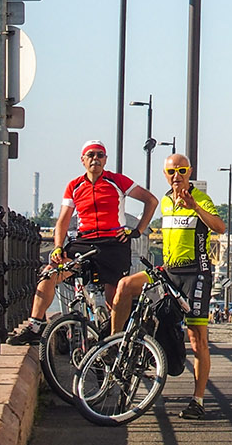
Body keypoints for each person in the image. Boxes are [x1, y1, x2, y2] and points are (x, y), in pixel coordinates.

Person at [8, 140, 157, 345]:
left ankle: (117, 340)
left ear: (105, 159)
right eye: (91, 155)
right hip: (84, 242)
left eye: (100, 155)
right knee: (49, 274)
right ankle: (35, 326)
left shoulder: (117, 181)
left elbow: (151, 200)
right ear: (83, 160)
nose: (95, 159)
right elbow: (63, 220)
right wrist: (58, 247)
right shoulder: (75, 186)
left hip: (113, 243)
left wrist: (137, 231)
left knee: (114, 296)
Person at [113, 154, 225, 420]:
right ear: (165, 174)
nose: (177, 176)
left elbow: (220, 227)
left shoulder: (201, 199)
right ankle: (115, 345)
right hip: (168, 270)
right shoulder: (165, 201)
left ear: (189, 172)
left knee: (197, 338)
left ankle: (198, 400)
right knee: (125, 286)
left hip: (195, 274)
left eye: (182, 171)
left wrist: (195, 207)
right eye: (172, 171)